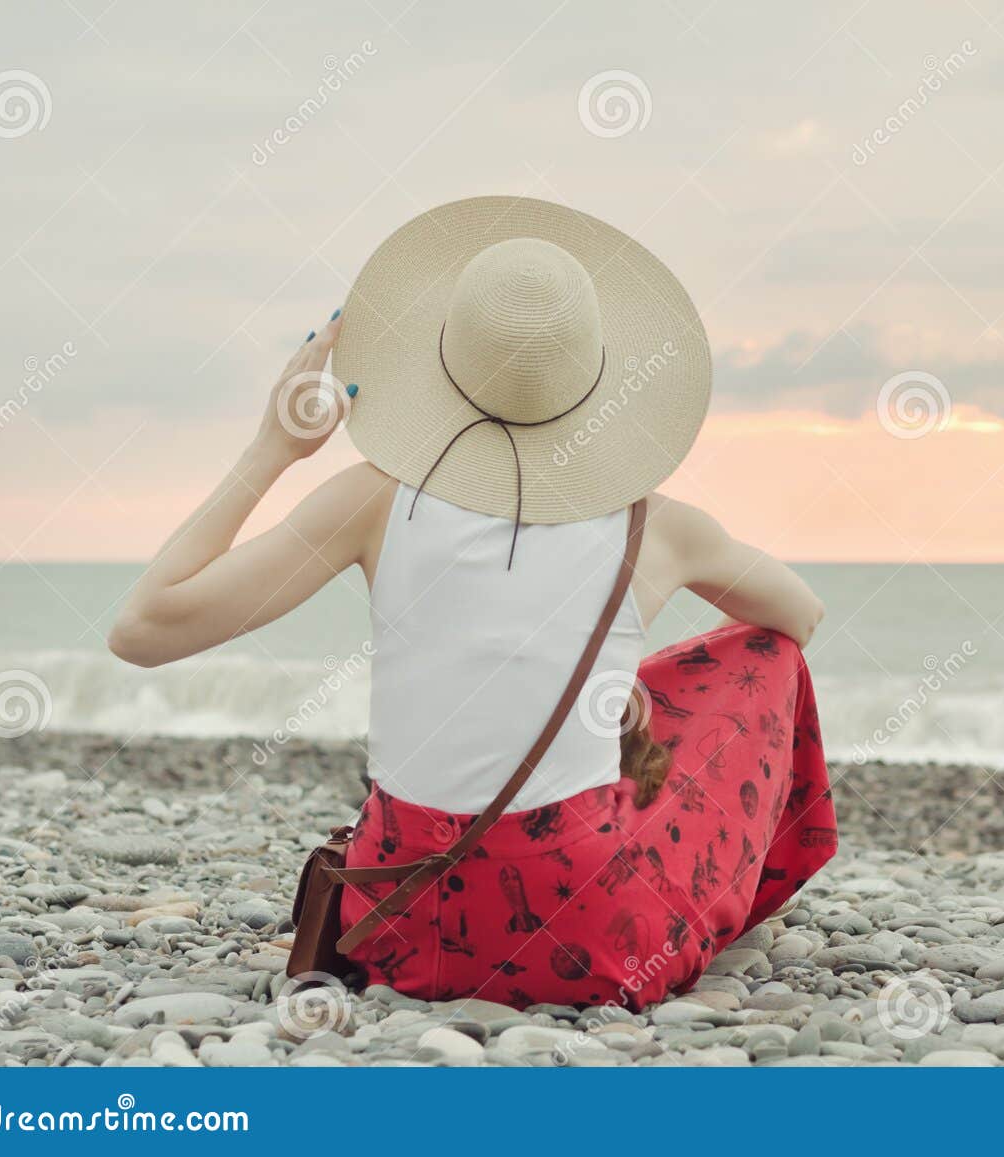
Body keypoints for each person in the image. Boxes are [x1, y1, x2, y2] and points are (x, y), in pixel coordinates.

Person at [109, 196, 838, 1009]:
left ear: (440, 361)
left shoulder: (370, 501)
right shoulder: (658, 526)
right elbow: (797, 618)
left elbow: (141, 630)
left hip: (399, 928)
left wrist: (272, 447)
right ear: (597, 380)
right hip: (589, 941)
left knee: (621, 703)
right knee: (760, 662)